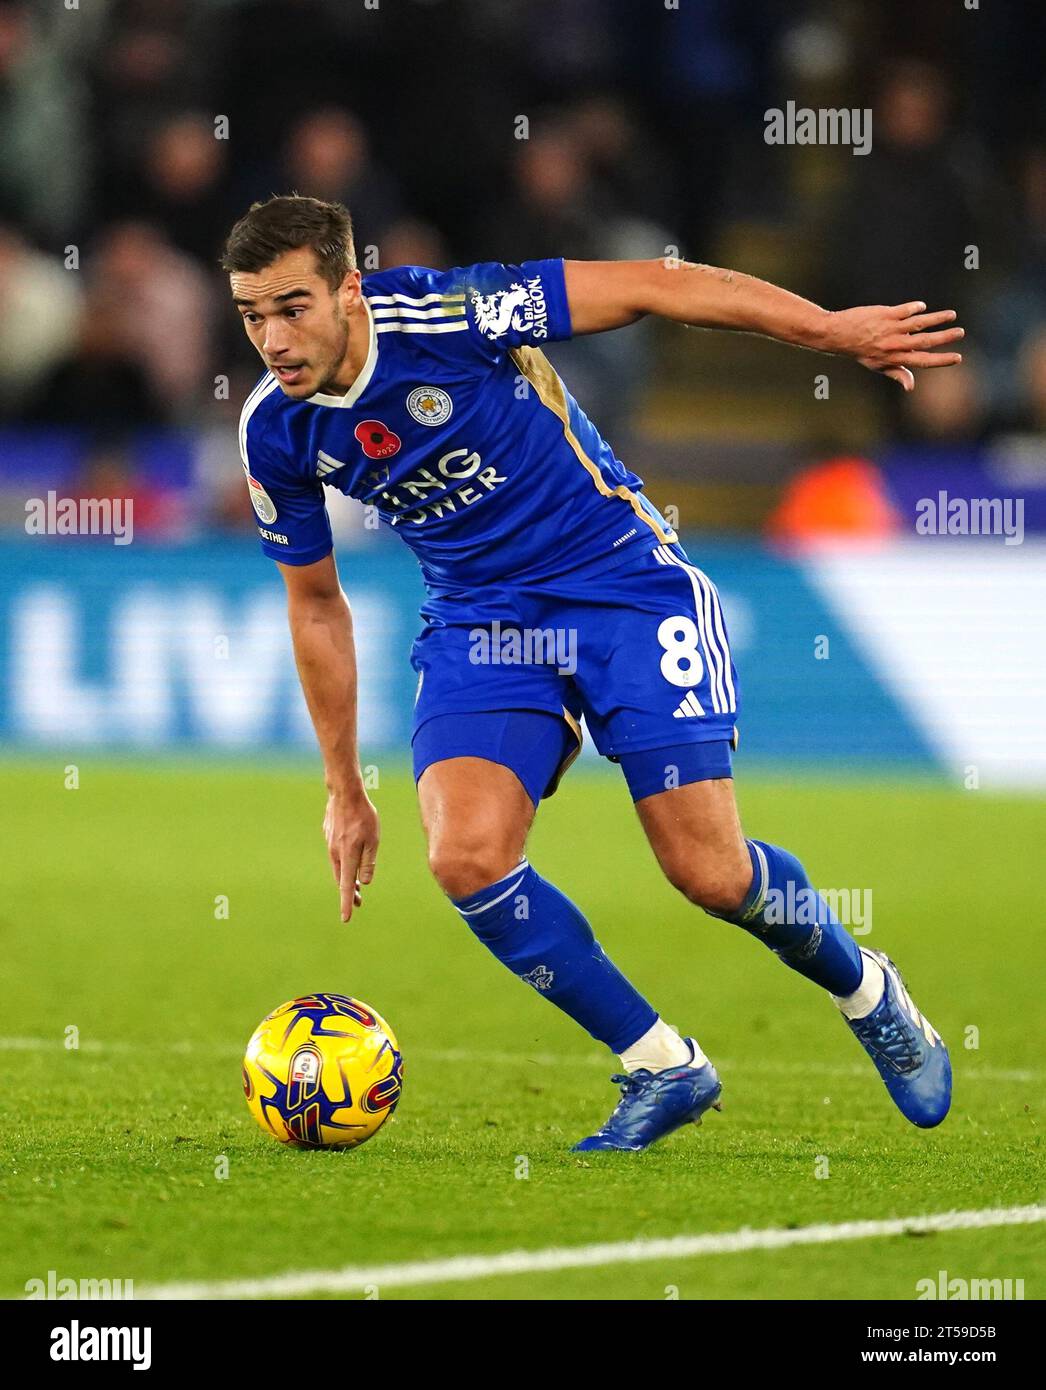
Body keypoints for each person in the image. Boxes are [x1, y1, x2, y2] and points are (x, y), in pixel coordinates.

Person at [223, 195, 961, 1152]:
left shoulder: (455, 315)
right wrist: (341, 789)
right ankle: (663, 1065)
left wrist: (825, 330)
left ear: (350, 291)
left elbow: (655, 284)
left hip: (622, 587)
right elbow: (317, 603)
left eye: (293, 308)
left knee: (708, 871)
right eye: (251, 316)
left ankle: (869, 989)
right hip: (482, 620)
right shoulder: (273, 432)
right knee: (465, 856)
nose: (273, 340)